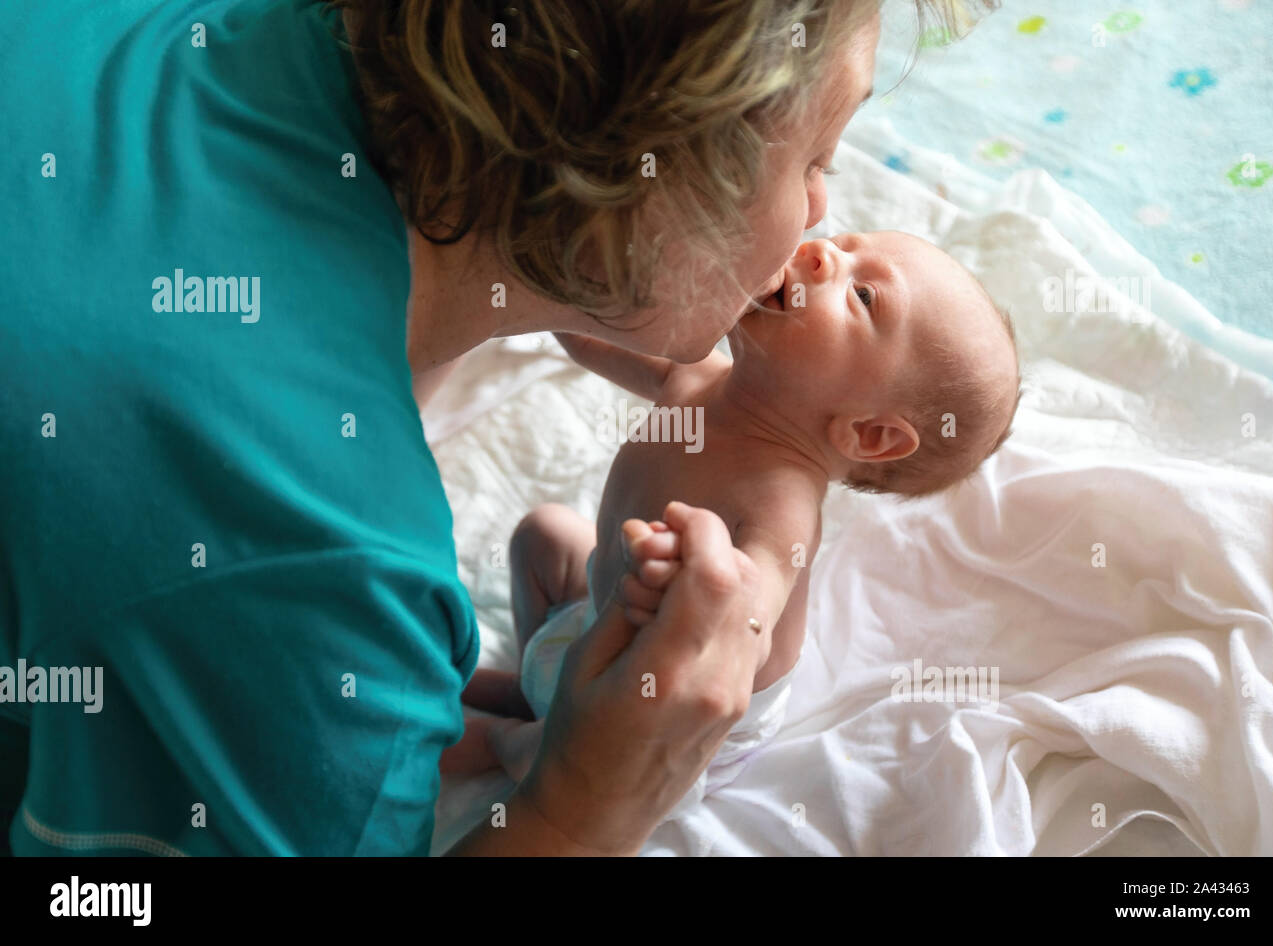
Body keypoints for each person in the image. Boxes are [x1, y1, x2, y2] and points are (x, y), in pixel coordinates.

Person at [0, 0, 993, 856]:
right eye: (814, 158)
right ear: (649, 170)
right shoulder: (321, 580)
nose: (822, 218)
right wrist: (575, 813)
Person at [441, 231, 1022, 822]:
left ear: (869, 435)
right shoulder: (700, 381)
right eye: (847, 244)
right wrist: (550, 282)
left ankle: (506, 742)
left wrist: (697, 577)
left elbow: (752, 611)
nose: (822, 252)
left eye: (864, 295)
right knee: (544, 534)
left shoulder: (783, 505)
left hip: (662, 710)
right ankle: (534, 685)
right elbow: (586, 333)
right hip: (599, 616)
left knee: (559, 754)